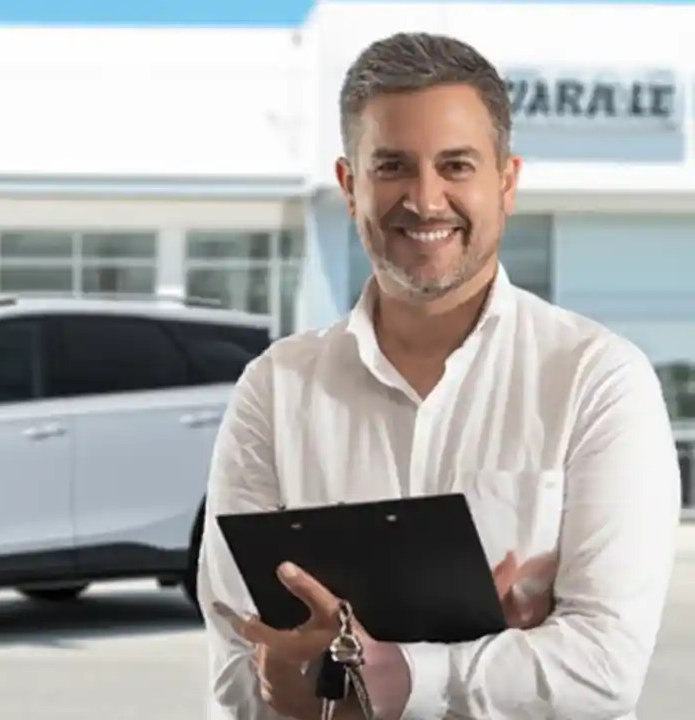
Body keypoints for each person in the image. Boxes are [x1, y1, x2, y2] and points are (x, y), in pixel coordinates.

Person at [196, 31, 681, 720]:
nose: (425, 200)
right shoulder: (275, 389)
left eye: (456, 165)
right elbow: (238, 656)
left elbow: (604, 668)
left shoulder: (599, 381)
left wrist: (397, 677)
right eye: (392, 165)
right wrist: (285, 687)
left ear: (506, 182)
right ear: (348, 184)